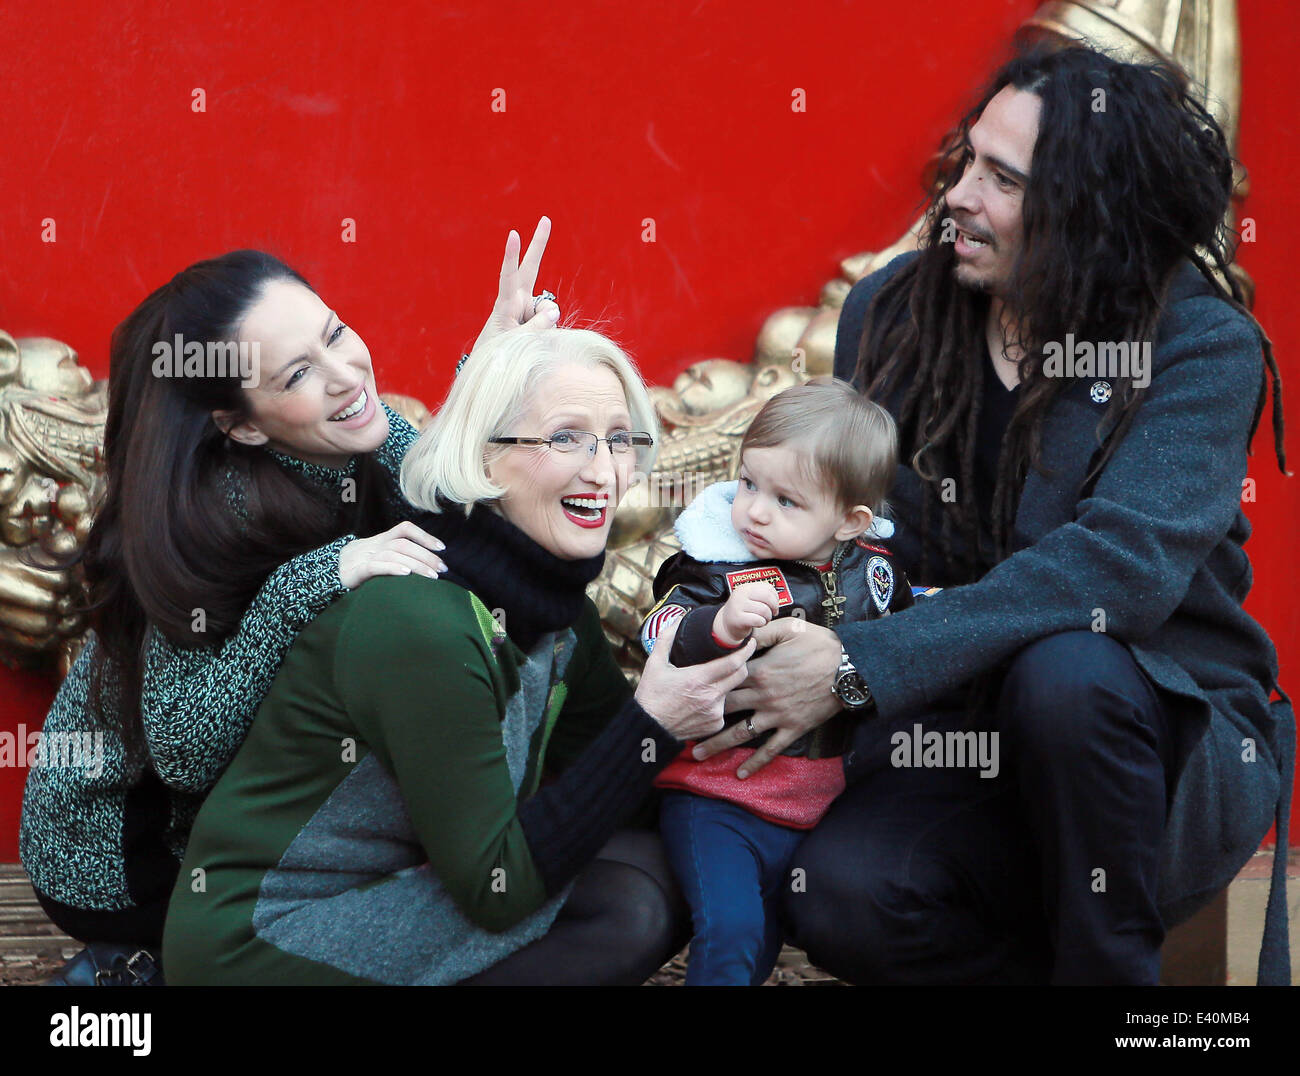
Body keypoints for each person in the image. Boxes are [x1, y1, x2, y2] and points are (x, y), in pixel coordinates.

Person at [691, 44, 1293, 985]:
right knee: (840, 897)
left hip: (1145, 743)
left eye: (1002, 180)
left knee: (1069, 668)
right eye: (968, 160)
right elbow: (848, 538)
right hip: (955, 731)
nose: (960, 195)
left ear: (1087, 210)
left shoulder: (1197, 344)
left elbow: (1117, 573)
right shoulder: (893, 312)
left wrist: (861, 667)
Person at [20, 220, 561, 985]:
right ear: (239, 424)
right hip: (129, 857)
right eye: (298, 374)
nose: (346, 373)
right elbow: (181, 747)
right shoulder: (209, 519)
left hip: (267, 828)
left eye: (336, 333)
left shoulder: (359, 435)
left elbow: (441, 484)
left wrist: (494, 353)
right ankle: (128, 970)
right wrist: (314, 578)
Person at [162, 326, 751, 985]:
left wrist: (745, 656)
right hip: (264, 939)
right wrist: (654, 720)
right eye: (565, 437)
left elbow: (626, 787)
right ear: (481, 458)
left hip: (403, 890)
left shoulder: (556, 608)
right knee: (629, 908)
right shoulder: (420, 621)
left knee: (662, 865)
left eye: (618, 439)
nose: (603, 470)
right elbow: (496, 889)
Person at [640, 377, 916, 985]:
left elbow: (907, 633)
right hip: (716, 796)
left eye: (787, 501)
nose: (755, 510)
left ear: (851, 521)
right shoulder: (717, 566)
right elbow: (660, 628)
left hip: (815, 800)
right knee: (731, 930)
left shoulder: (873, 573)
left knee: (760, 940)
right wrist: (717, 624)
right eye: (748, 483)